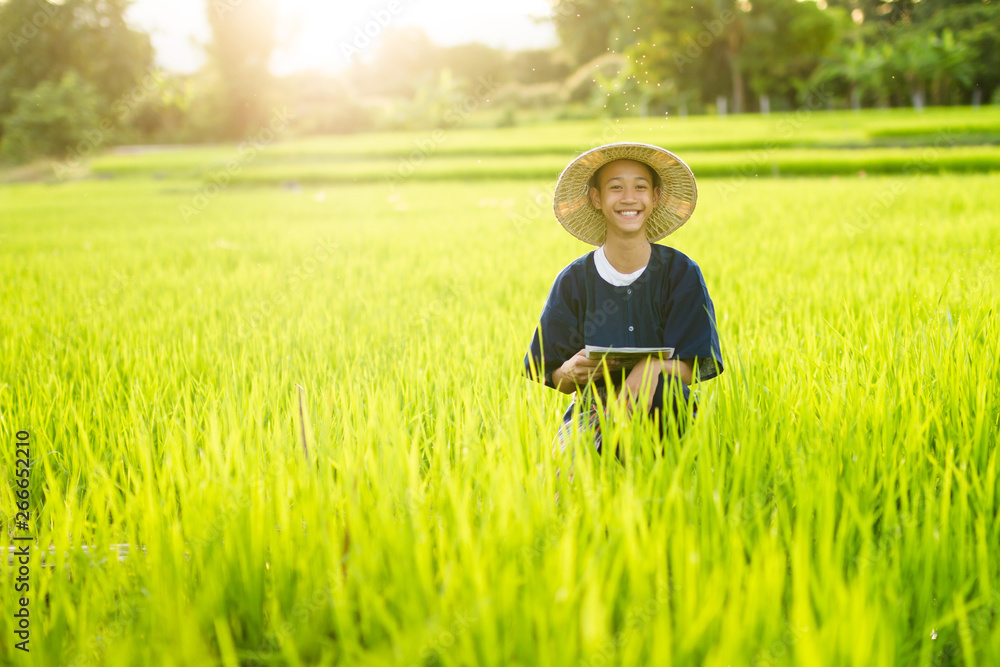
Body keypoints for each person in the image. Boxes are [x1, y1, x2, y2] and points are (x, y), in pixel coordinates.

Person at [523, 142, 724, 464]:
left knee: (669, 402)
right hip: (594, 410)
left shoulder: (680, 273)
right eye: (616, 187)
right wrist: (569, 372)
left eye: (640, 187)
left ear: (655, 197)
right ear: (596, 198)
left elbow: (692, 366)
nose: (629, 198)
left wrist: (653, 367)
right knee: (574, 477)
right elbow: (551, 373)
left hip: (667, 409)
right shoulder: (574, 280)